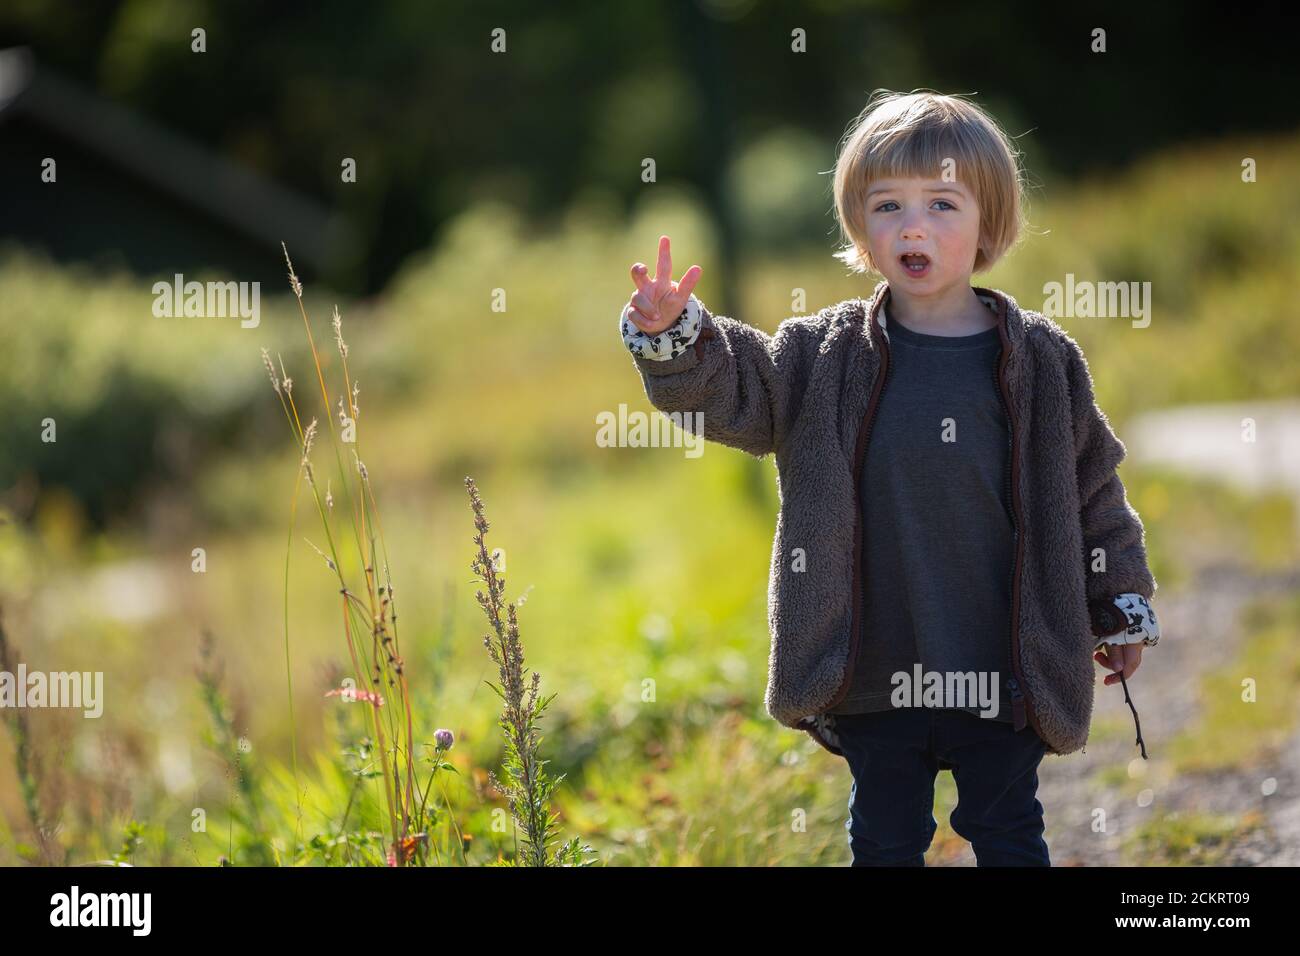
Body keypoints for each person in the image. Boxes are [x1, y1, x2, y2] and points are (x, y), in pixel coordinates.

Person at [618, 90, 1161, 866]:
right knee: (884, 840)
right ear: (860, 229)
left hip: (1001, 664)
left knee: (1009, 832)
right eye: (887, 205)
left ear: (990, 224)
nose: (913, 226)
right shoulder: (821, 356)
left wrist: (1116, 601)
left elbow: (1093, 491)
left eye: (943, 204)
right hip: (875, 666)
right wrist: (675, 337)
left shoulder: (1041, 361)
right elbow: (737, 394)